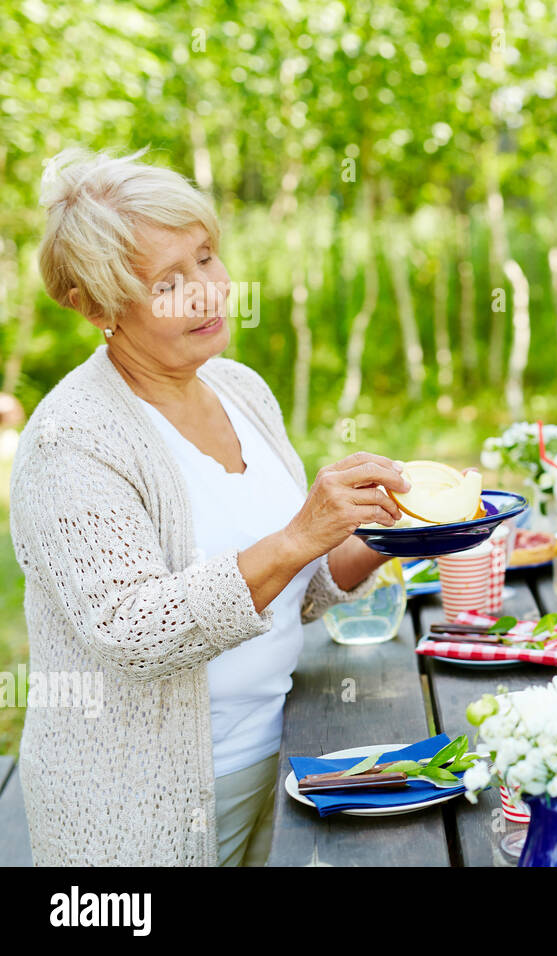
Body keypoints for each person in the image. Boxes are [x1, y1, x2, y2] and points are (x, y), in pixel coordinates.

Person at [9, 148, 410, 866]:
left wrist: (385, 530)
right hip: (139, 811)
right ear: (98, 307)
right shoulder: (72, 440)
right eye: (167, 283)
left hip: (282, 763)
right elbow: (133, 633)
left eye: (205, 258)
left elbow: (302, 591)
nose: (207, 292)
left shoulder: (239, 387)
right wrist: (298, 535)